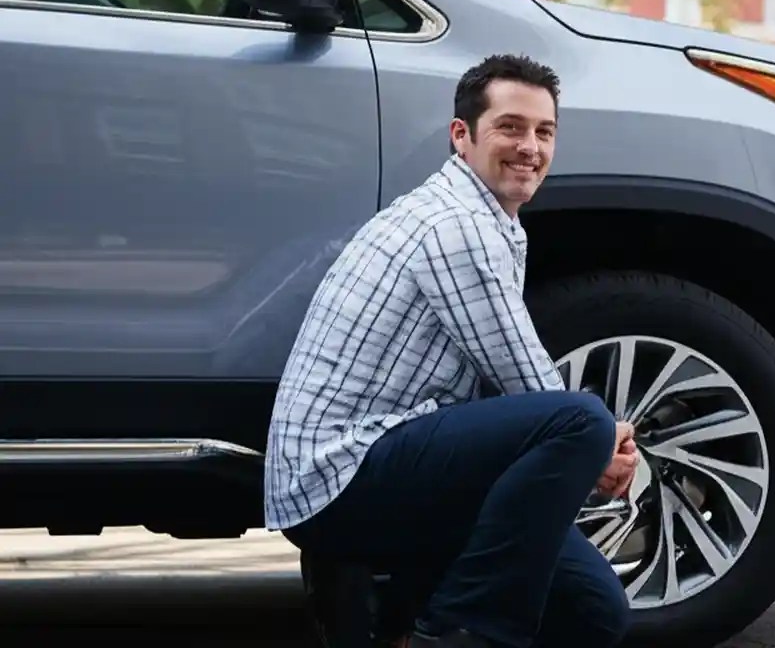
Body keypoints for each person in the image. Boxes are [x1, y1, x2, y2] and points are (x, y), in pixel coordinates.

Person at [263, 54, 638, 648]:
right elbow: (527, 382)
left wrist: (592, 450)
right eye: (510, 127)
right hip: (343, 474)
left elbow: (503, 398)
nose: (530, 147)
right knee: (581, 420)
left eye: (545, 132)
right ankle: (458, 632)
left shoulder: (488, 221)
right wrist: (601, 450)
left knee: (594, 610)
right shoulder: (455, 224)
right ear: (461, 136)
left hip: (403, 454)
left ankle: (406, 619)